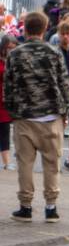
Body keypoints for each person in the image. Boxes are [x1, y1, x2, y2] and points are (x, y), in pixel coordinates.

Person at [4, 10, 69, 222]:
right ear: (44, 28)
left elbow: (9, 85)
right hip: (51, 116)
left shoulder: (15, 54)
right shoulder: (54, 52)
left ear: (25, 28)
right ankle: (51, 207)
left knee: (25, 163)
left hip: (24, 116)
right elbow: (64, 84)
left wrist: (13, 111)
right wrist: (64, 111)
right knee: (52, 163)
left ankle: (25, 206)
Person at [0, 33, 14, 169]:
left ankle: (6, 162)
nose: (10, 50)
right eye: (7, 47)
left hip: (6, 101)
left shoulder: (15, 59)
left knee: (5, 131)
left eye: (12, 47)